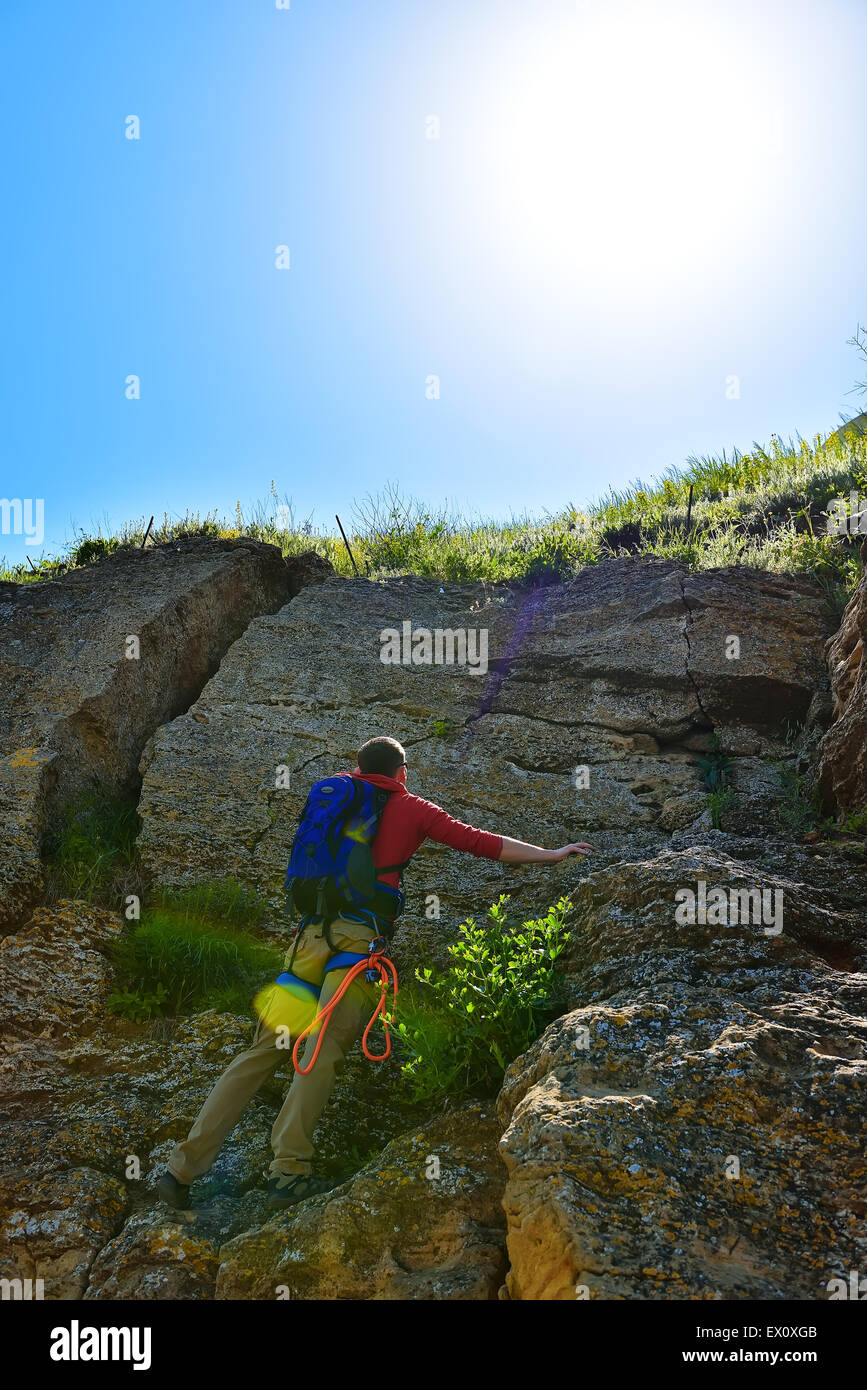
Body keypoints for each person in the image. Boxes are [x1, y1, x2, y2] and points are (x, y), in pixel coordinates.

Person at [156, 735, 593, 1210]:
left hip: (308, 939)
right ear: (402, 772)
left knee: (260, 1052)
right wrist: (551, 854)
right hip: (357, 945)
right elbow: (481, 843)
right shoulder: (413, 809)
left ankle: (180, 1170)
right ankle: (288, 1169)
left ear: (359, 766)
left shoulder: (334, 794)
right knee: (317, 1050)